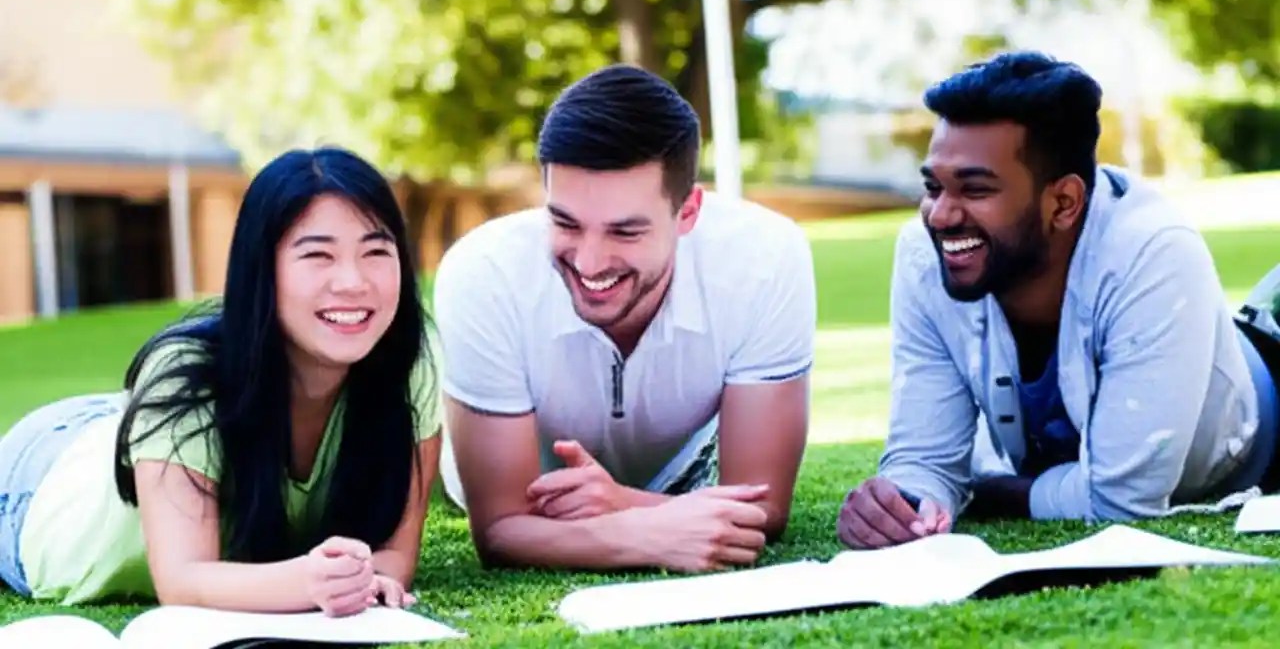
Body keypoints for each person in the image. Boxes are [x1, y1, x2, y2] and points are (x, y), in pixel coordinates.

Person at [837, 51, 1280, 549]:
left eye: (975, 189)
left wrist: (991, 491)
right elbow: (926, 459)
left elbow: (1119, 500)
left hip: (1266, 424)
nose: (940, 215)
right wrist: (903, 506)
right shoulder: (926, 257)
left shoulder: (1153, 250)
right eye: (933, 186)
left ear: (1064, 202)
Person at [0, 147, 442, 613]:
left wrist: (369, 582)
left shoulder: (406, 358)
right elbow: (182, 581)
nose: (353, 281)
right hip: (36, 486)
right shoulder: (184, 378)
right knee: (175, 396)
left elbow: (394, 555)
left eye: (375, 251)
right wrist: (306, 584)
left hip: (144, 425)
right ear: (261, 269)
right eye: (318, 255)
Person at [432, 64, 816, 573]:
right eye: (565, 222)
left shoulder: (765, 258)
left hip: (681, 480)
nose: (590, 262)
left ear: (688, 212)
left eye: (625, 232)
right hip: (524, 491)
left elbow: (761, 510)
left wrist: (619, 502)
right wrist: (643, 536)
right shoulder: (483, 272)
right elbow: (502, 528)